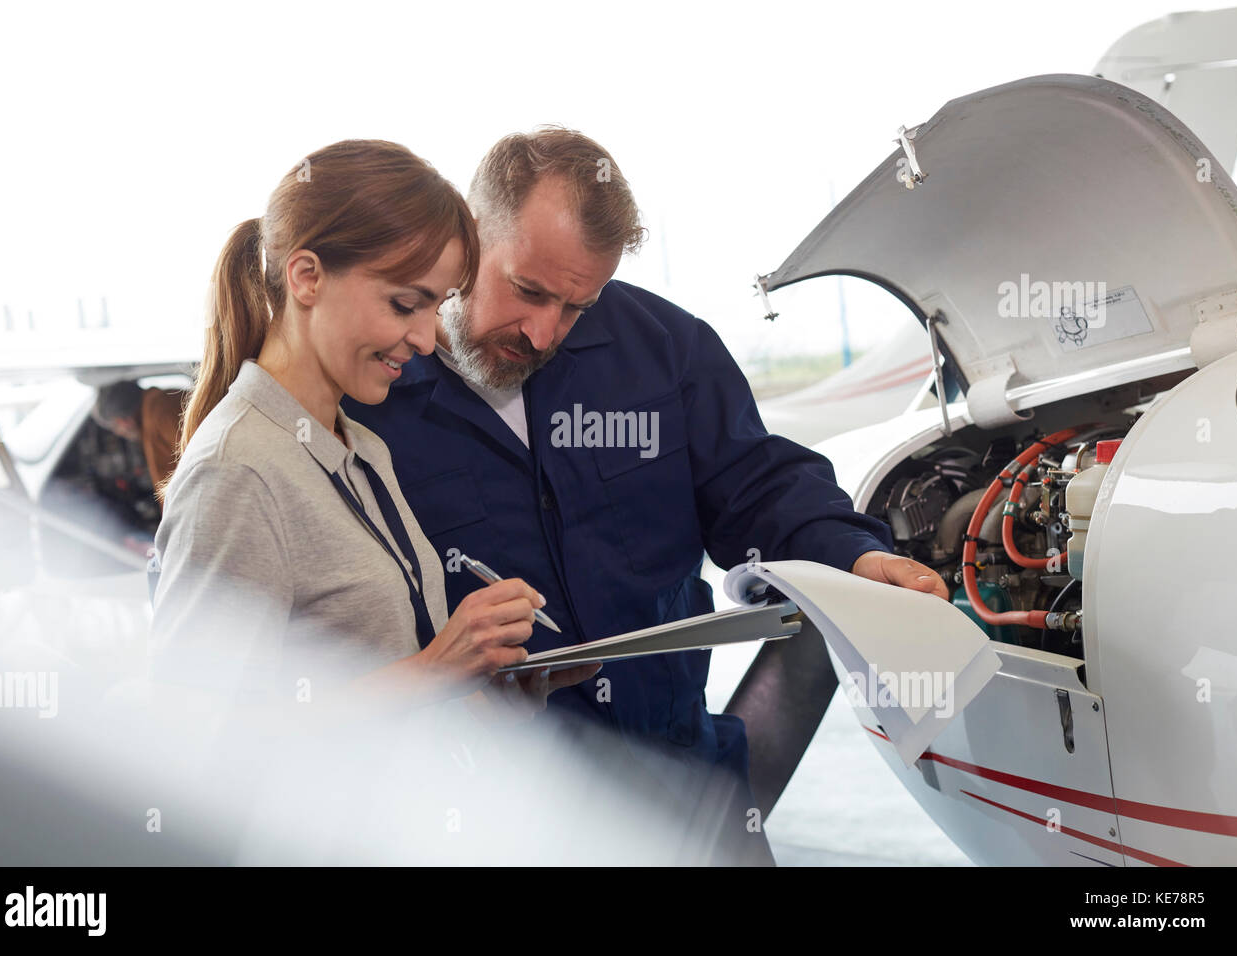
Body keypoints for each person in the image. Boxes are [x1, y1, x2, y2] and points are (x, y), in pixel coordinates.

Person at [343, 127, 951, 864]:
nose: (543, 334)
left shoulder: (666, 351)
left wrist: (854, 556)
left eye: (577, 307)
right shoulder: (369, 395)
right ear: (469, 238)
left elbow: (759, 488)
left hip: (689, 786)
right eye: (529, 291)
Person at [151, 139, 595, 723]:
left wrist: (488, 685)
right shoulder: (238, 469)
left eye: (435, 308)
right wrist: (435, 669)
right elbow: (195, 734)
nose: (424, 338)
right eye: (405, 304)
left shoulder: (361, 447)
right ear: (307, 278)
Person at [91, 380, 185, 490]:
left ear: (123, 422)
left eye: (115, 428)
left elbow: (199, 463)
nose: (119, 433)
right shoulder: (159, 404)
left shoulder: (160, 413)